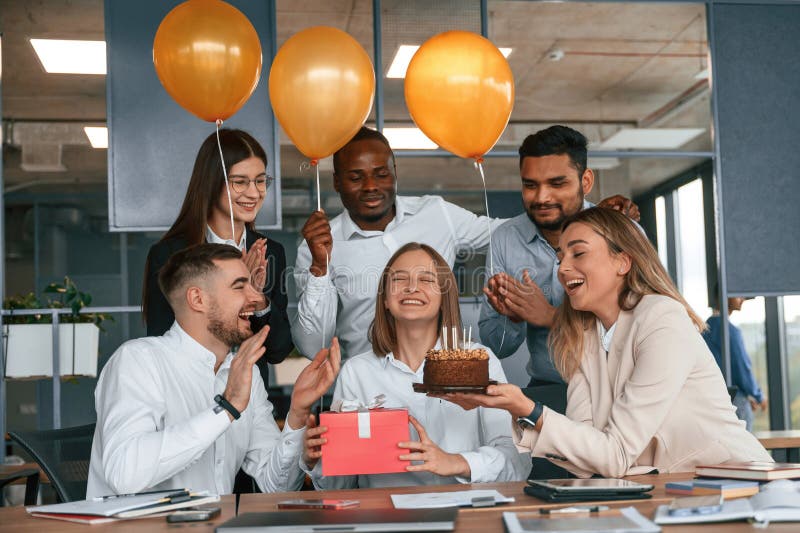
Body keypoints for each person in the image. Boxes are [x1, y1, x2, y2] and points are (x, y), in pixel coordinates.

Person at [445, 208, 771, 478]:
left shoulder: (662, 319)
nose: (563, 267)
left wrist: (527, 407)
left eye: (579, 253)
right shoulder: (585, 338)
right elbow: (588, 461)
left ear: (622, 262)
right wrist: (512, 409)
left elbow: (614, 455)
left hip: (736, 486)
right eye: (561, 256)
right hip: (676, 495)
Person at [87, 244, 340, 497]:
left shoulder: (243, 374)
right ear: (198, 299)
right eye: (240, 286)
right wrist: (226, 409)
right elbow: (124, 474)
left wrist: (296, 413)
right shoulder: (138, 361)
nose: (256, 298)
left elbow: (277, 487)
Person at [302, 243, 529, 488]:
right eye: (399, 279)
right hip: (384, 516)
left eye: (426, 279)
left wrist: (455, 462)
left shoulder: (479, 361)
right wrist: (319, 461)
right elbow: (340, 486)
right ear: (386, 299)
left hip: (463, 514)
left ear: (444, 297)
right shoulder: (358, 372)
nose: (412, 287)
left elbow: (517, 462)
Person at [292, 126, 505, 360]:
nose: (370, 186)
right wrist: (320, 269)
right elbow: (314, 347)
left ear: (395, 173)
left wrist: (548, 212)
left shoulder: (436, 213)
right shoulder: (316, 248)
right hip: (368, 387)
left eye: (381, 174)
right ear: (336, 182)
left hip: (444, 380)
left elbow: (505, 233)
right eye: (355, 177)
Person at [479, 125, 640, 388]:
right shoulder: (506, 239)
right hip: (546, 388)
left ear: (585, 181)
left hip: (617, 386)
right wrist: (514, 317)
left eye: (557, 183)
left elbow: (642, 326)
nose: (542, 197)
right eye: (530, 185)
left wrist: (550, 316)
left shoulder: (623, 231)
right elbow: (497, 347)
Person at [143, 129, 292, 388]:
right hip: (191, 395)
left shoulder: (270, 252)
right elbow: (162, 343)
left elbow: (278, 350)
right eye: (240, 181)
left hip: (252, 401)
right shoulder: (170, 255)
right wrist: (235, 291)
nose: (254, 193)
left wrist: (257, 299)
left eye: (260, 181)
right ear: (212, 182)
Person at [703, 289, 767, 431]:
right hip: (734, 401)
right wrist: (758, 395)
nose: (742, 298)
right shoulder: (731, 331)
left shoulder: (705, 328)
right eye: (738, 294)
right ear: (724, 295)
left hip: (713, 400)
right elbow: (742, 368)